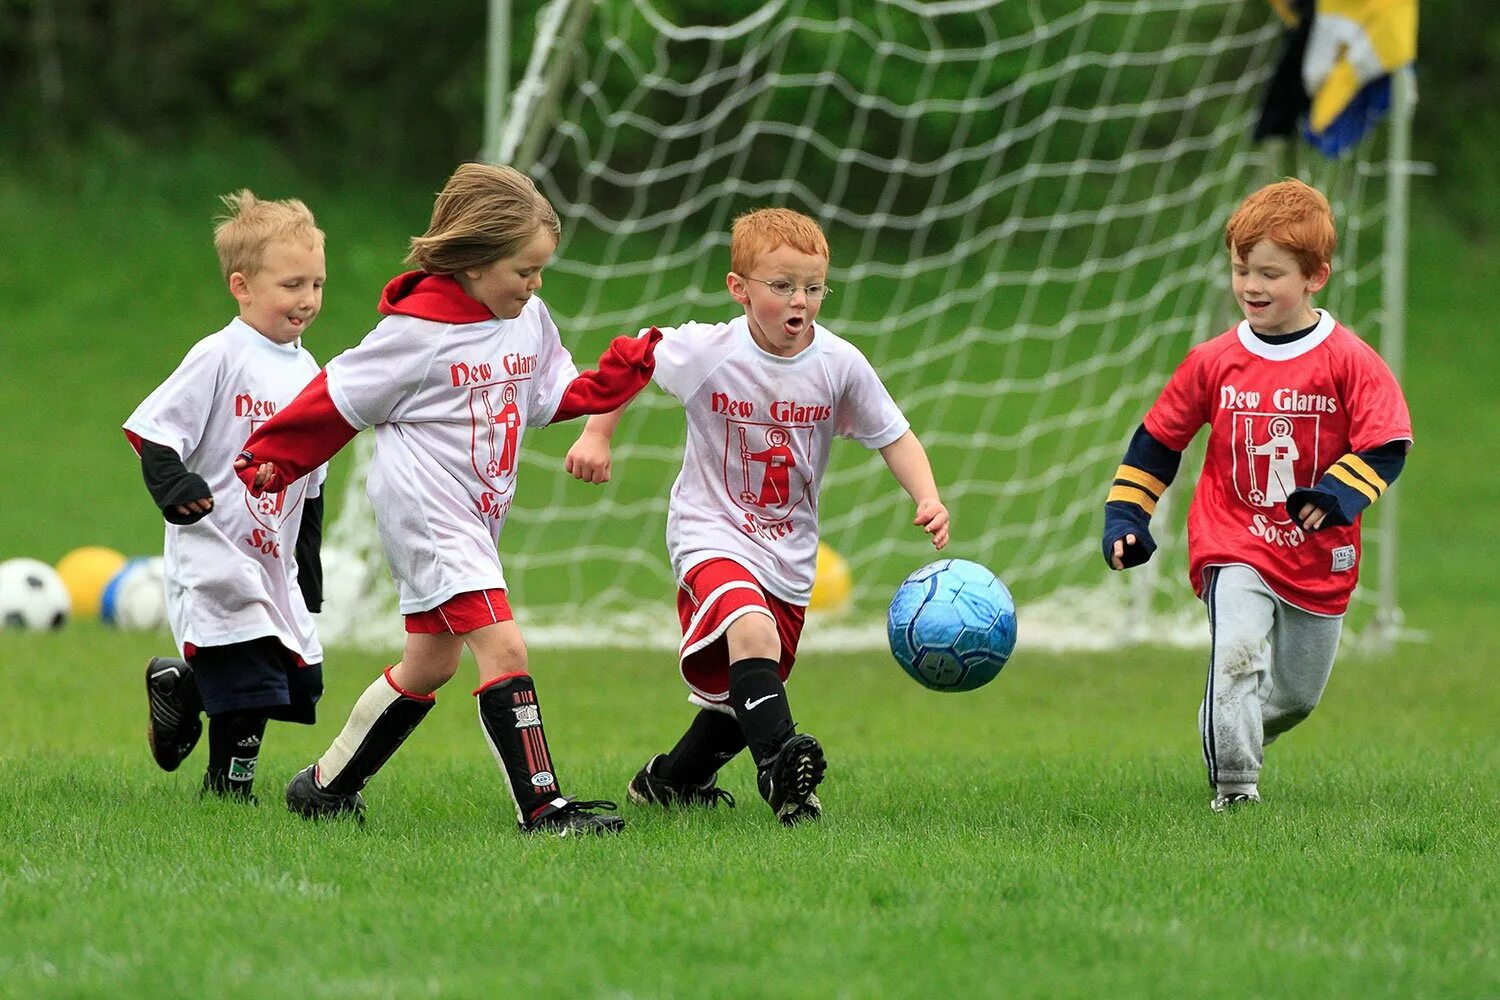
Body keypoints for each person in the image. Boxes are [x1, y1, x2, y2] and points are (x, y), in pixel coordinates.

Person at [232, 163, 660, 835]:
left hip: (477, 515)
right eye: (524, 270)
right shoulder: (417, 334)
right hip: (428, 516)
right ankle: (544, 809)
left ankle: (325, 787)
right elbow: (337, 398)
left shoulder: (529, 319)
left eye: (540, 270)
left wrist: (614, 378)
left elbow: (550, 397)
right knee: (505, 647)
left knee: (429, 663)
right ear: (473, 261)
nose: (535, 284)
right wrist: (274, 457)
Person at [565, 207, 950, 825]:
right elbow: (633, 357)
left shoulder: (839, 363)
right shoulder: (708, 351)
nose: (801, 301)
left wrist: (926, 497)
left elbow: (894, 435)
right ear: (738, 289)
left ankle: (667, 783)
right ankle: (786, 782)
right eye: (782, 287)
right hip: (709, 532)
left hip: (790, 553)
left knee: (738, 704)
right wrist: (597, 433)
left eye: (813, 287)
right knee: (750, 631)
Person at [1100, 178, 1413, 812]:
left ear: (1316, 276)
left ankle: (1224, 723)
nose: (1252, 286)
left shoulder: (1349, 360)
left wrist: (1334, 495)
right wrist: (1126, 514)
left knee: (1297, 696)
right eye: (1242, 269)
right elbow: (1159, 440)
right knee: (1238, 654)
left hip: (1318, 556)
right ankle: (1236, 790)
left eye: (1270, 273)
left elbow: (1389, 441)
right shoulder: (1213, 360)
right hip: (1232, 540)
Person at [124, 190, 330, 800]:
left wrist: (308, 558)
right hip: (213, 548)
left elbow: (311, 474)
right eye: (292, 284)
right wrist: (176, 488)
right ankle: (227, 791)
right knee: (250, 678)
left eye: (317, 284)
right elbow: (154, 432)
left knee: (294, 680)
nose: (308, 300)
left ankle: (182, 690)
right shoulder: (219, 354)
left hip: (272, 556)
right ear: (242, 286)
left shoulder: (309, 372)